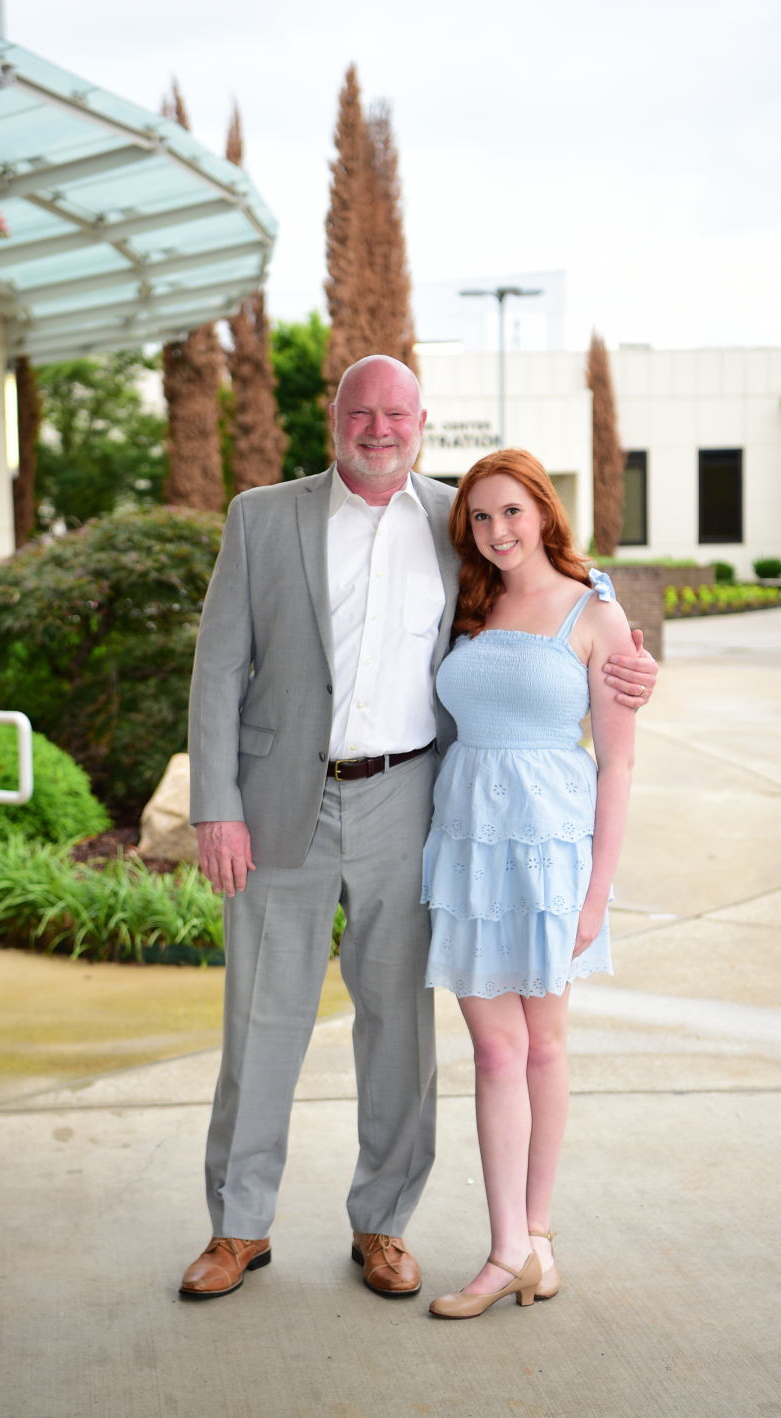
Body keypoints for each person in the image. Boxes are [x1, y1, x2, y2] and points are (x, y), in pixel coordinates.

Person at [179, 357, 657, 1300]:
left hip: (415, 799)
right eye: (361, 410)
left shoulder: (459, 522)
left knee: (398, 1023)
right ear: (335, 417)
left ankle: (384, 1224)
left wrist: (632, 669)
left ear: (421, 421)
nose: (378, 427)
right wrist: (216, 804)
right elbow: (218, 668)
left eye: (396, 412)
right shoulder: (261, 517)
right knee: (260, 1017)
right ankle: (238, 1228)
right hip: (284, 801)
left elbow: (556, 615)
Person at [423, 448, 636, 1319]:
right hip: (469, 846)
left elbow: (619, 764)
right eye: (480, 516)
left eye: (512, 511)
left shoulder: (596, 611)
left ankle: (535, 1240)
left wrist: (596, 894)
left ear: (543, 512)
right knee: (493, 1050)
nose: (497, 530)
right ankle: (507, 1244)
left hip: (553, 853)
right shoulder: (467, 603)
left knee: (544, 1047)